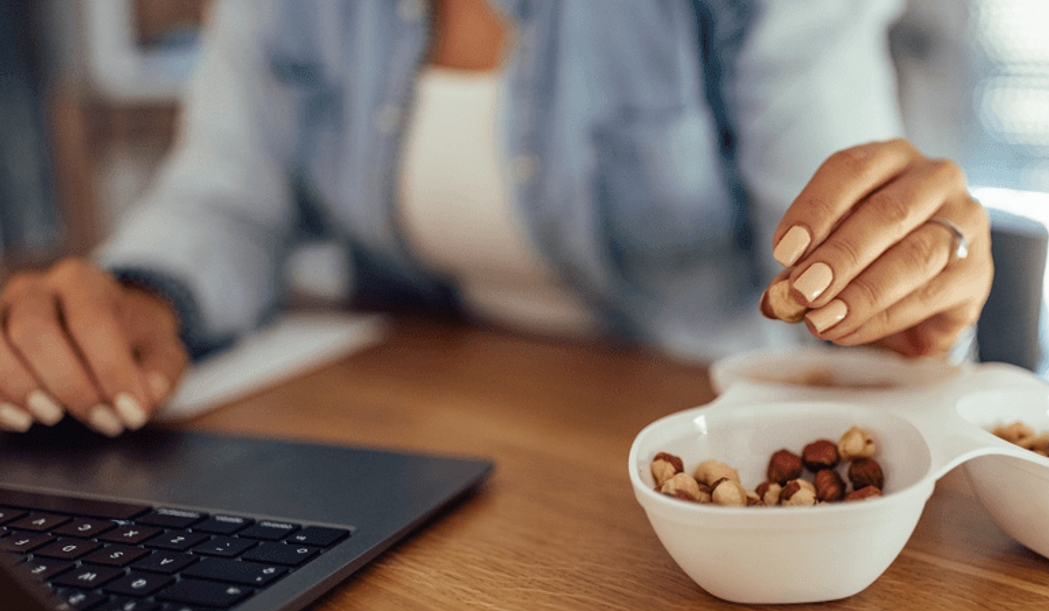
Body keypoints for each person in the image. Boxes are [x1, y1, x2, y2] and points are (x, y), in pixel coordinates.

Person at [0, 0, 991, 437]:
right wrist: (144, 292)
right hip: (414, 453)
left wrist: (895, 277)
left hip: (705, 450)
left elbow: (850, 227)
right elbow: (226, 194)